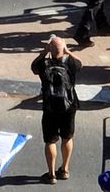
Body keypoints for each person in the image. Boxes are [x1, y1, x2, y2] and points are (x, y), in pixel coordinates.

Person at [30, 35, 80, 184]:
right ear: (63, 49)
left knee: (50, 141)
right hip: (69, 106)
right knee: (67, 137)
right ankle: (64, 169)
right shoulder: (70, 63)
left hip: (50, 107)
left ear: (50, 50)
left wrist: (44, 51)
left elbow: (33, 67)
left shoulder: (43, 64)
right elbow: (80, 64)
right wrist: (68, 51)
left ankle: (51, 175)